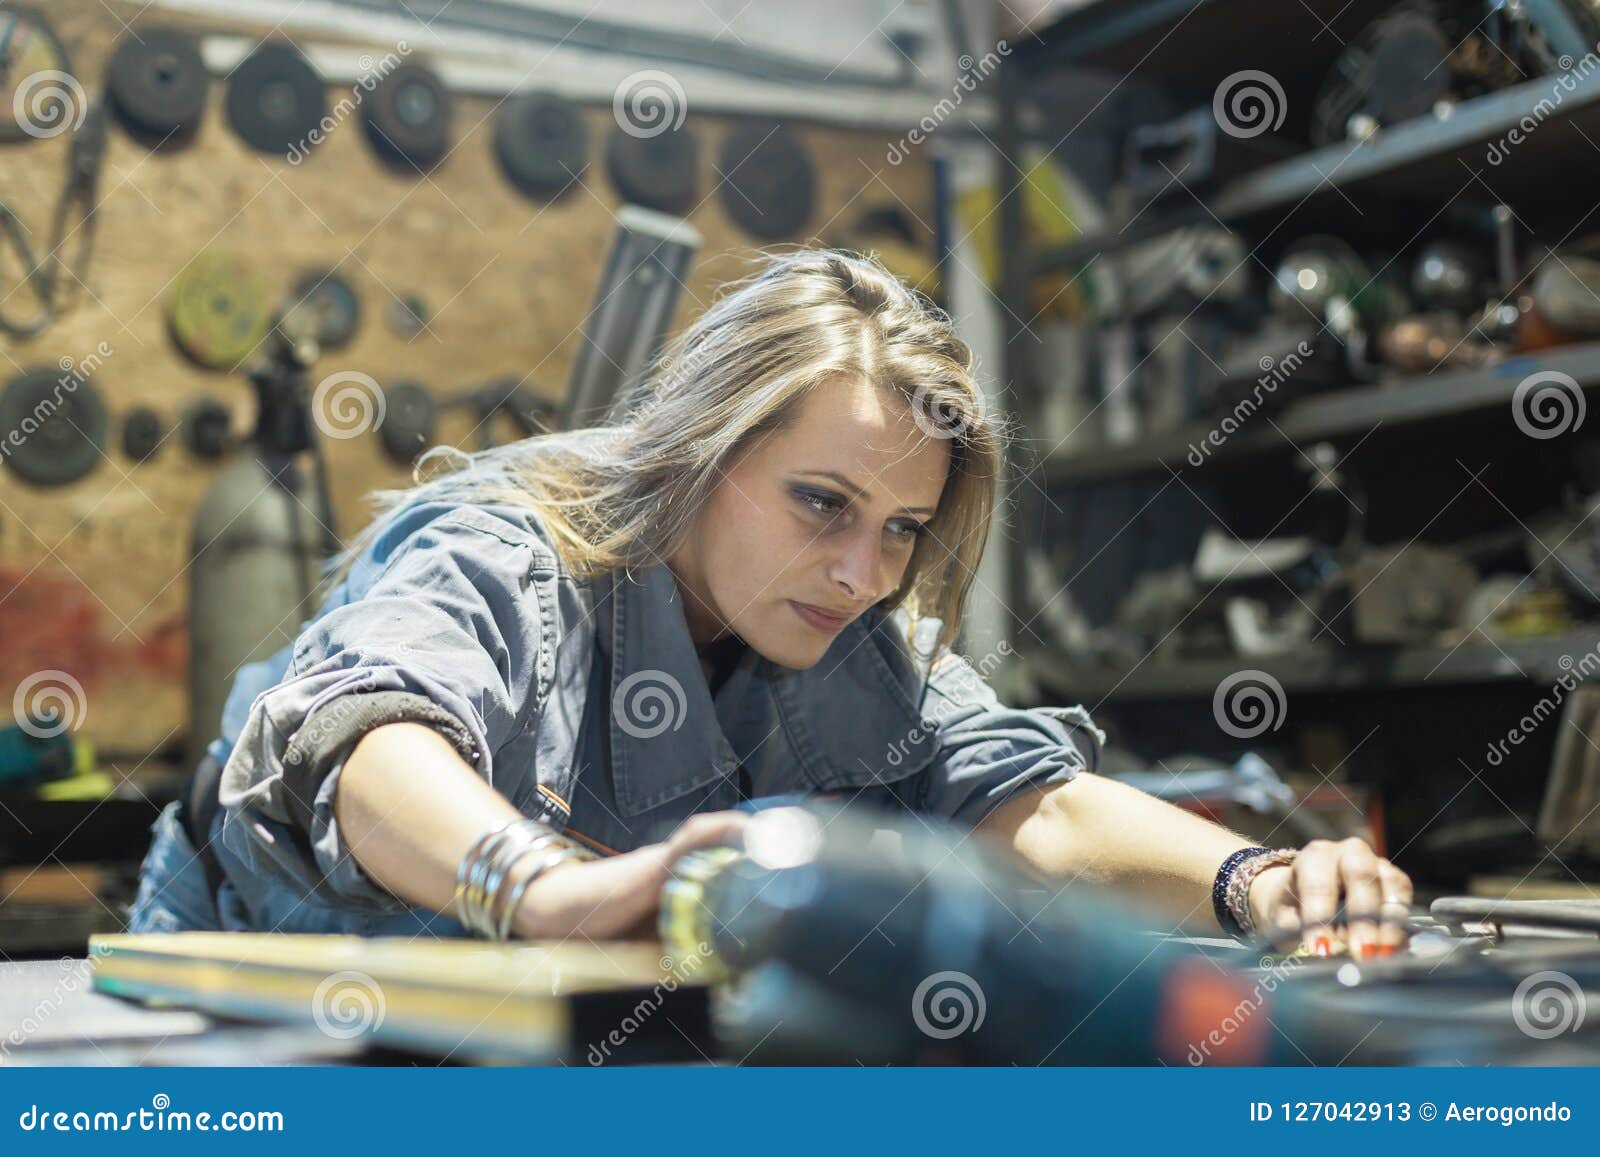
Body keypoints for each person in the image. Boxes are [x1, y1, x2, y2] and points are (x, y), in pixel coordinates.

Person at [128, 248, 1411, 955]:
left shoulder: (851, 639)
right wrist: (542, 887)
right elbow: (364, 734)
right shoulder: (508, 549)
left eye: (904, 526)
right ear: (702, 450)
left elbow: (1036, 807)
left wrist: (1258, 877)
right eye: (820, 502)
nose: (865, 572)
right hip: (259, 1002)